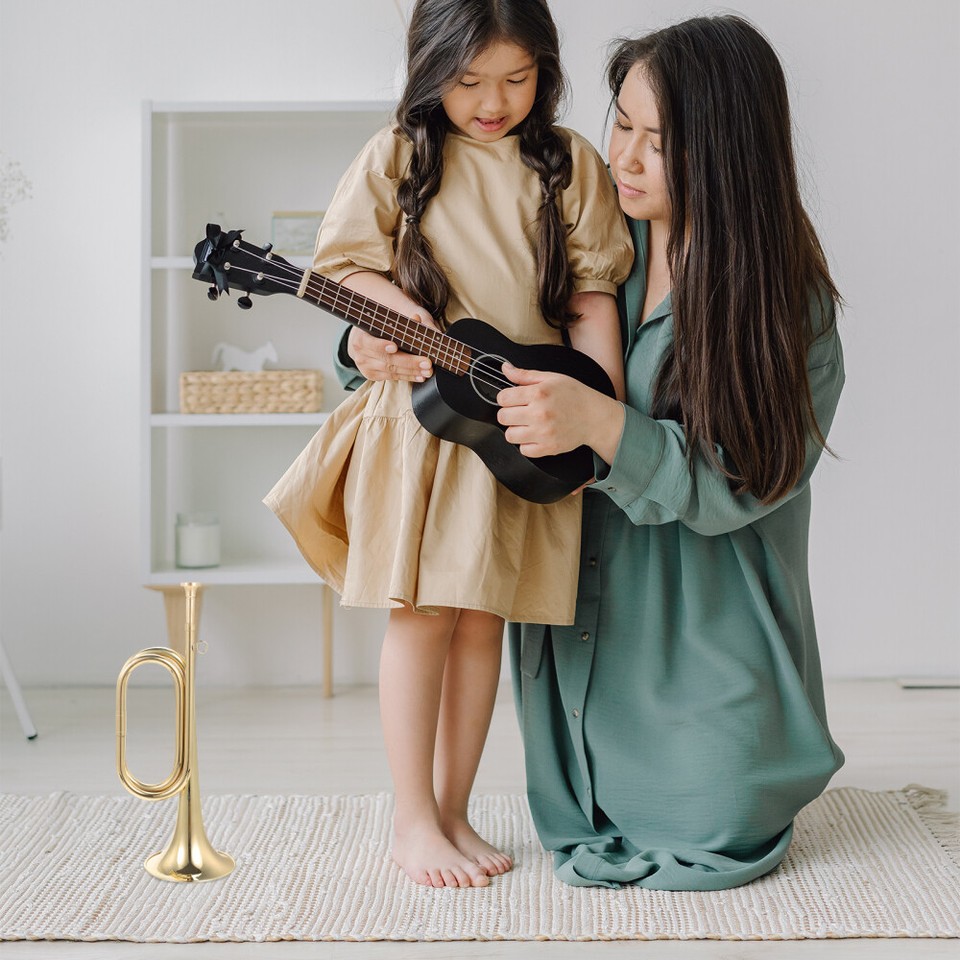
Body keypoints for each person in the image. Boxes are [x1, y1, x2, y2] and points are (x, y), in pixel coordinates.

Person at [265, 0, 633, 888]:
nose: (493, 102)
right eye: (468, 82)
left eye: (517, 79)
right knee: (423, 616)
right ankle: (411, 819)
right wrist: (388, 325)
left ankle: (456, 810)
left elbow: (592, 296)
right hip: (424, 424)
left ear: (546, 70)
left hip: (525, 420)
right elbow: (343, 266)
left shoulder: (568, 162)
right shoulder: (398, 155)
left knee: (482, 625)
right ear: (430, 70)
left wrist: (598, 413)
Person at [492, 15, 847, 889]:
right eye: (623, 123)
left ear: (728, 151)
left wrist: (601, 423)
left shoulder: (785, 301)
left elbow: (738, 484)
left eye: (663, 141)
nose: (627, 157)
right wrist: (364, 350)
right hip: (575, 620)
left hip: (704, 642)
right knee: (576, 818)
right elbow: (450, 282)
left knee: (714, 826)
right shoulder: (585, 229)